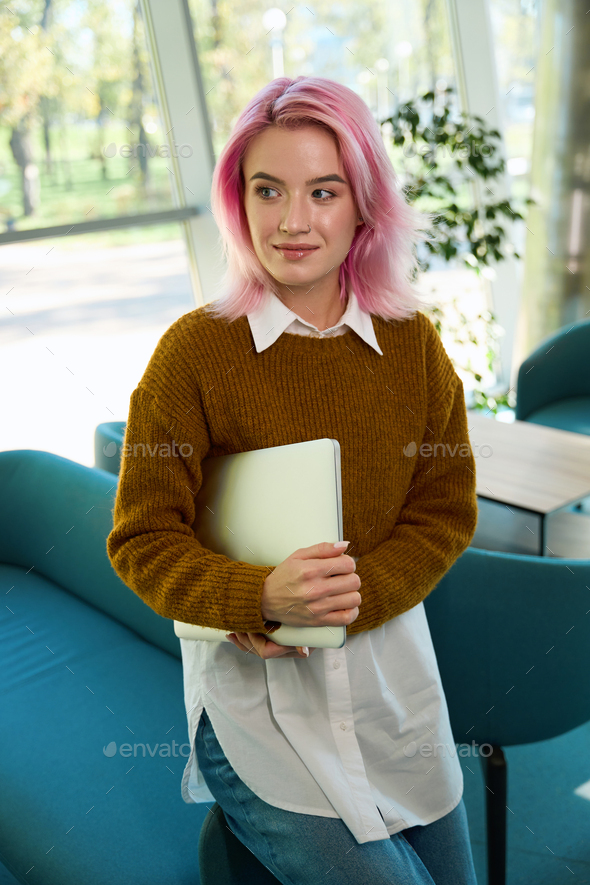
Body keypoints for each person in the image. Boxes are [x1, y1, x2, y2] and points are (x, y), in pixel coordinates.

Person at [107, 76, 479, 884]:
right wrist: (260, 596)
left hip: (392, 688)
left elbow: (444, 509)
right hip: (257, 712)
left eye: (324, 190)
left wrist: (346, 599)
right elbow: (141, 538)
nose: (293, 221)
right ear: (239, 202)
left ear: (363, 206)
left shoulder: (413, 343)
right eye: (267, 190)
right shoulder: (193, 354)